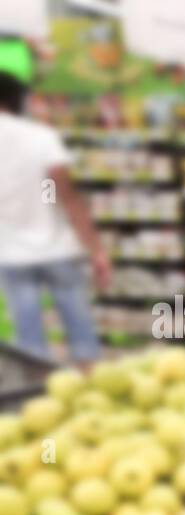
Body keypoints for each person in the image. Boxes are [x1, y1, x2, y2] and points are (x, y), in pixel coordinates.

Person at [0, 69, 109, 365]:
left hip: (11, 256)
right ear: (17, 100)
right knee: (82, 332)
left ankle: (40, 398)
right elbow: (68, 198)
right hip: (58, 249)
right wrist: (97, 250)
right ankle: (91, 391)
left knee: (30, 341)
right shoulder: (40, 137)